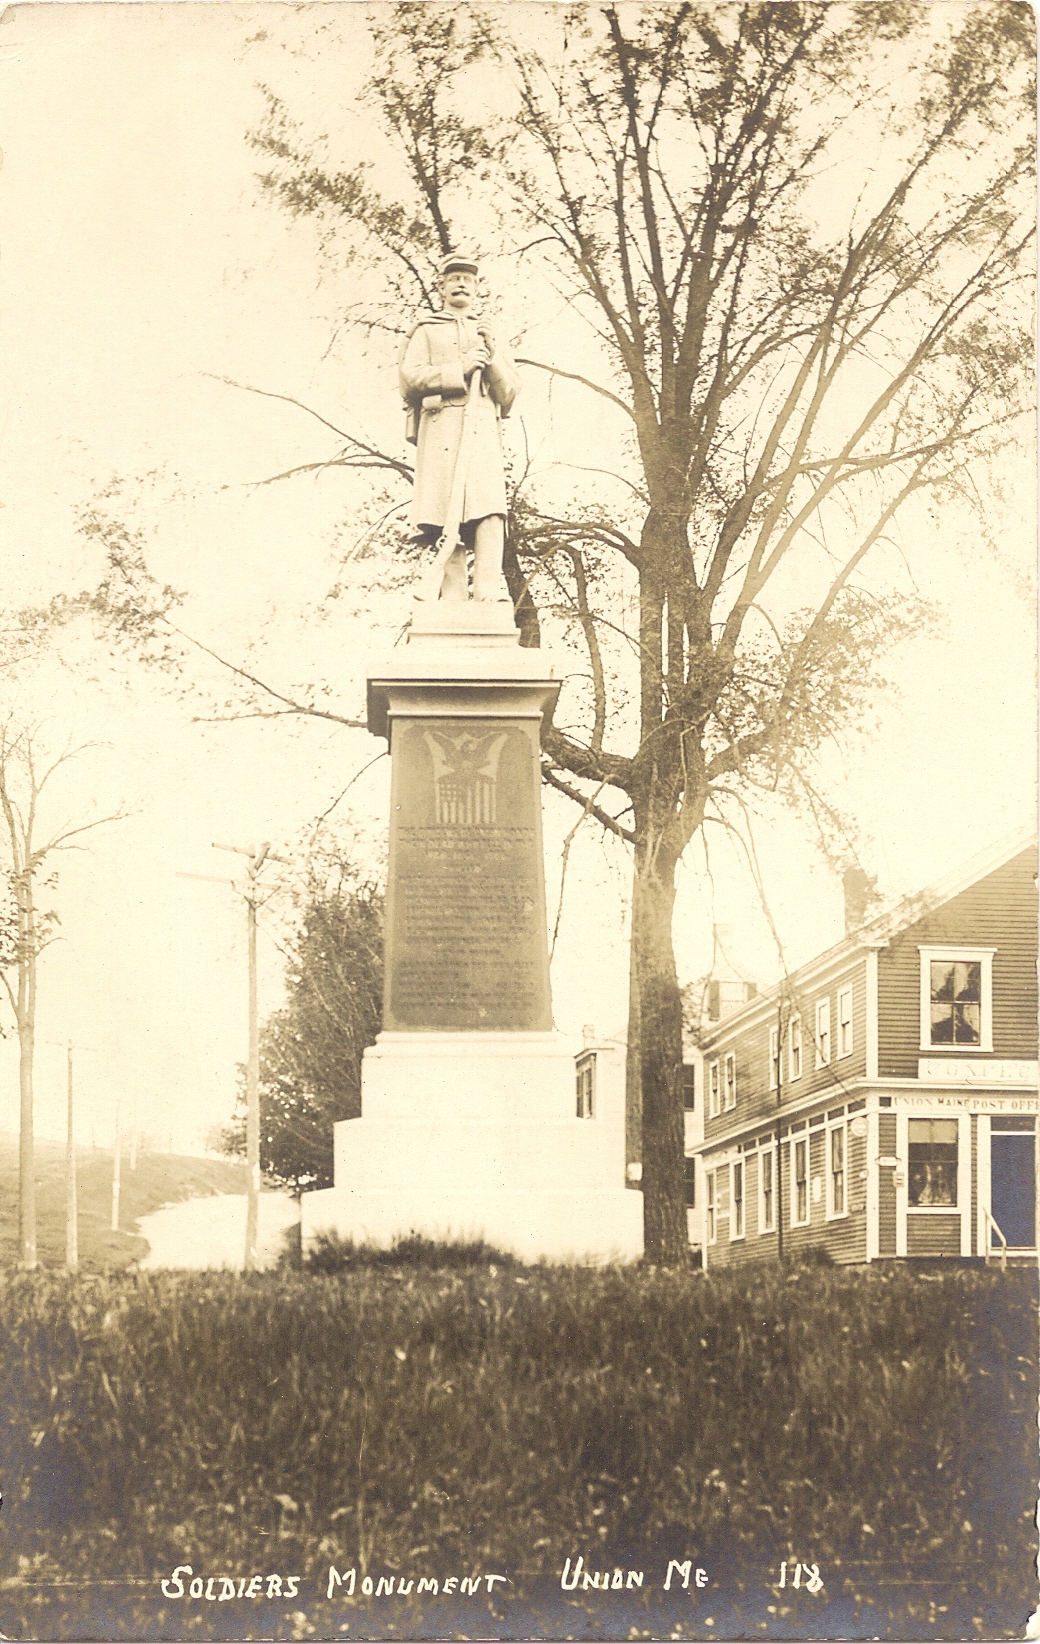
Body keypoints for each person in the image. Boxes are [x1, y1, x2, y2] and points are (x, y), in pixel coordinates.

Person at [399, 253, 520, 601]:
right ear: (441, 287)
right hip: (441, 427)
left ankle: (487, 590)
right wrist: (460, 368)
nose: (461, 283)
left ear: (478, 288)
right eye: (454, 278)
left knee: (490, 507)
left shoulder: (491, 334)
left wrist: (492, 356)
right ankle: (452, 595)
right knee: (442, 509)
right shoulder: (425, 330)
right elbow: (410, 378)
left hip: (482, 426)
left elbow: (509, 392)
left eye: (468, 279)